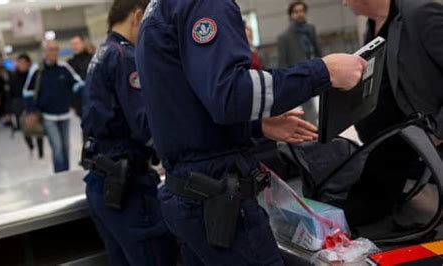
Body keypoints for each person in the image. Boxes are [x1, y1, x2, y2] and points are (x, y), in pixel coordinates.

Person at [136, 0, 366, 264]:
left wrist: (257, 125)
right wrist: (324, 72)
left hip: (189, 193)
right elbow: (230, 94)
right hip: (218, 199)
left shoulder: (161, 8)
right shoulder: (205, 4)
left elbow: (187, 105)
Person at [82, 0, 177, 265]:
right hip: (130, 189)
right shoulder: (126, 57)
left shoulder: (101, 54)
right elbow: (145, 124)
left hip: (103, 180)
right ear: (137, 16)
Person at [342, 0, 443, 225]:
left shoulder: (421, 15)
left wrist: (438, 131)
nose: (344, 3)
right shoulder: (371, 28)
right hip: (387, 152)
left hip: (421, 154)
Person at [24, 40, 84, 173]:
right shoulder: (37, 70)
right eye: (51, 49)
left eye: (56, 49)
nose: (54, 52)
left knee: (65, 147)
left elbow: (77, 84)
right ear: (44, 51)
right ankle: (60, 176)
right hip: (48, 116)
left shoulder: (64, 67)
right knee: (57, 148)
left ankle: (66, 173)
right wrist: (31, 111)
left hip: (64, 113)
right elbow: (27, 91)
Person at [277, 1, 322, 125]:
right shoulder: (284, 37)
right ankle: (314, 133)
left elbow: (318, 50)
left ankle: (312, 129)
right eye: (296, 12)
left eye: (302, 11)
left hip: (316, 71)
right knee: (308, 108)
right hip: (299, 76)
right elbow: (282, 62)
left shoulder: (310, 30)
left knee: (317, 106)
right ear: (290, 15)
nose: (300, 14)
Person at [11, 54, 44, 158]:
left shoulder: (34, 75)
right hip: (20, 106)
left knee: (38, 127)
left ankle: (40, 151)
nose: (21, 65)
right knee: (24, 128)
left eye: (23, 63)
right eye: (19, 63)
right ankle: (31, 147)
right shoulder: (14, 77)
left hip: (35, 105)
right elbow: (11, 94)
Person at [68, 35, 93, 118]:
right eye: (73, 44)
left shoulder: (93, 59)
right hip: (80, 102)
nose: (74, 46)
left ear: (83, 44)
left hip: (95, 98)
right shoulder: (70, 63)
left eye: (76, 43)